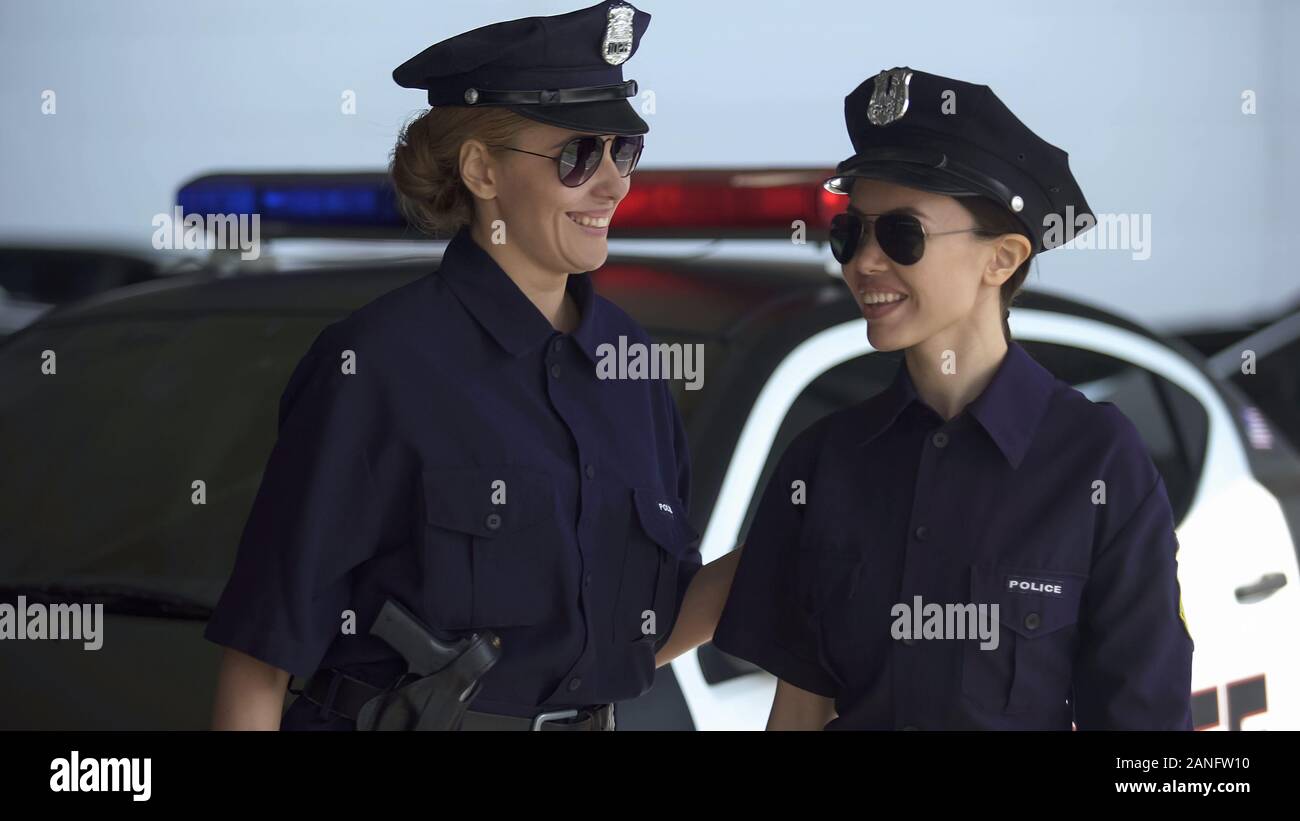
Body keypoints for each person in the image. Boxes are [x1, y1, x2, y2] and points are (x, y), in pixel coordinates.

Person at [205, 1, 713, 731]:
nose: (612, 183)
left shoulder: (632, 365)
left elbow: (651, 625)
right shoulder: (378, 366)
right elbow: (260, 657)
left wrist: (803, 529)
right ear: (481, 169)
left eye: (622, 149)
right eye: (578, 155)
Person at [708, 67, 1194, 730]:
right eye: (852, 234)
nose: (863, 262)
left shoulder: (1099, 464)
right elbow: (796, 712)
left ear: (1001, 258)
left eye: (902, 235)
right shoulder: (825, 462)